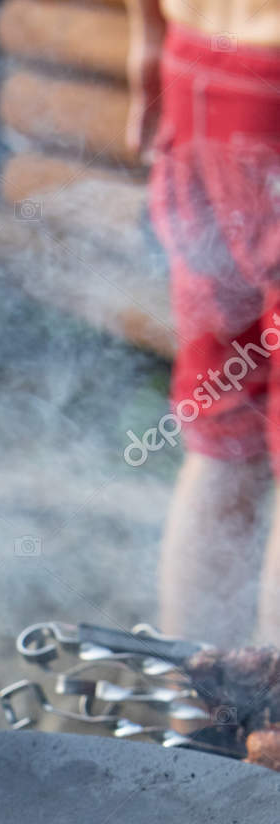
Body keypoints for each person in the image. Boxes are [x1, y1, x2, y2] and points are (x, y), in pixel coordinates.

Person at [126, 0, 280, 646]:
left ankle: (192, 722)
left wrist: (146, 52)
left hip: (191, 71)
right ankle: (272, 736)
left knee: (222, 441)